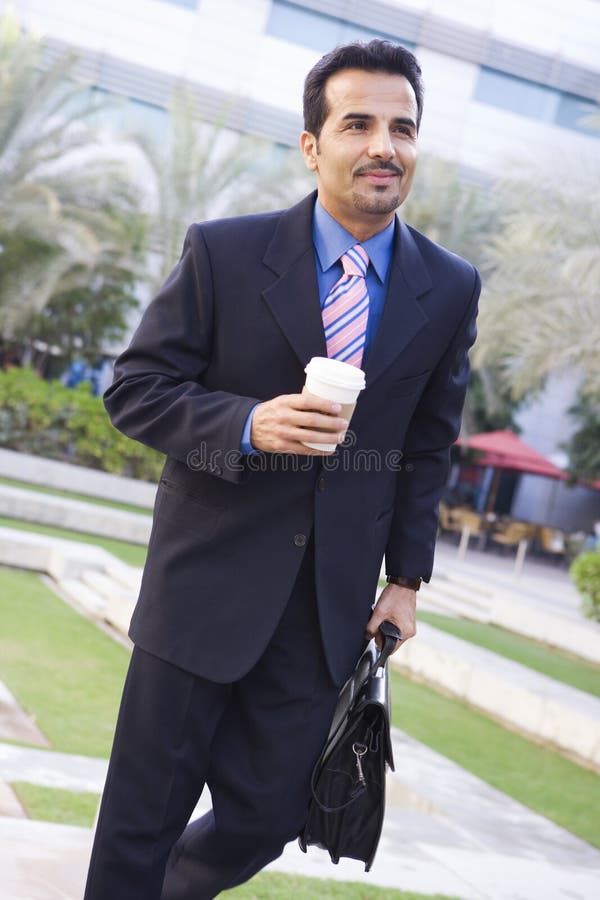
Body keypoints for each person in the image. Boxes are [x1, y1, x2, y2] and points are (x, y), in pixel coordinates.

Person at [84, 39, 480, 900]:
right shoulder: (225, 253)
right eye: (359, 124)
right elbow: (136, 389)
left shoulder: (450, 287)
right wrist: (249, 422)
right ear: (313, 144)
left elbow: (428, 443)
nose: (385, 145)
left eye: (403, 128)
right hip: (203, 587)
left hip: (327, 610)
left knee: (270, 814)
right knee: (138, 822)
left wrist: (406, 578)